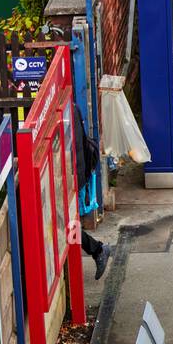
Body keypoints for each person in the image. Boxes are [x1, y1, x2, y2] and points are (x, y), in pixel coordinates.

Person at [71, 102, 109, 280]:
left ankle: (98, 249)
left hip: (71, 179)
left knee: (66, 227)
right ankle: (97, 250)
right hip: (73, 177)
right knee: (67, 226)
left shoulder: (64, 111)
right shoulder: (72, 107)